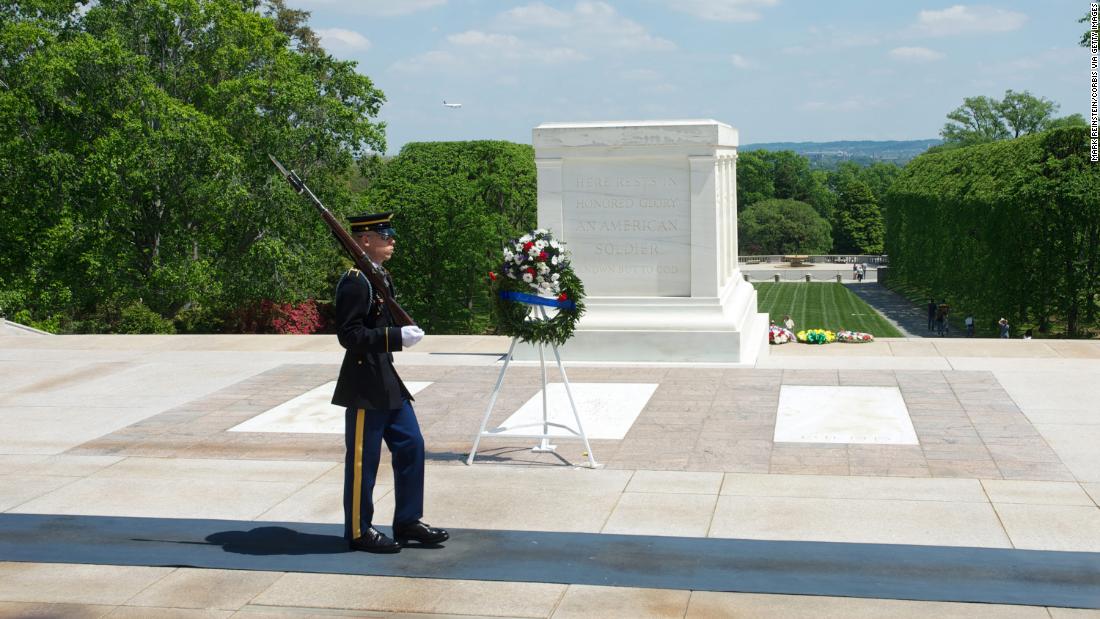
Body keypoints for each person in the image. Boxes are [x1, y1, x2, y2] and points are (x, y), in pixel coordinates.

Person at [332, 211, 448, 553]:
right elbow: (349, 335)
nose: (392, 240)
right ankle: (358, 530)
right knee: (363, 462)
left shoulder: (376, 275)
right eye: (386, 234)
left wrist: (395, 337)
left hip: (386, 379)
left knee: (412, 445)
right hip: (365, 383)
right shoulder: (356, 281)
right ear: (365, 240)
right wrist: (395, 337)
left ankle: (408, 520)